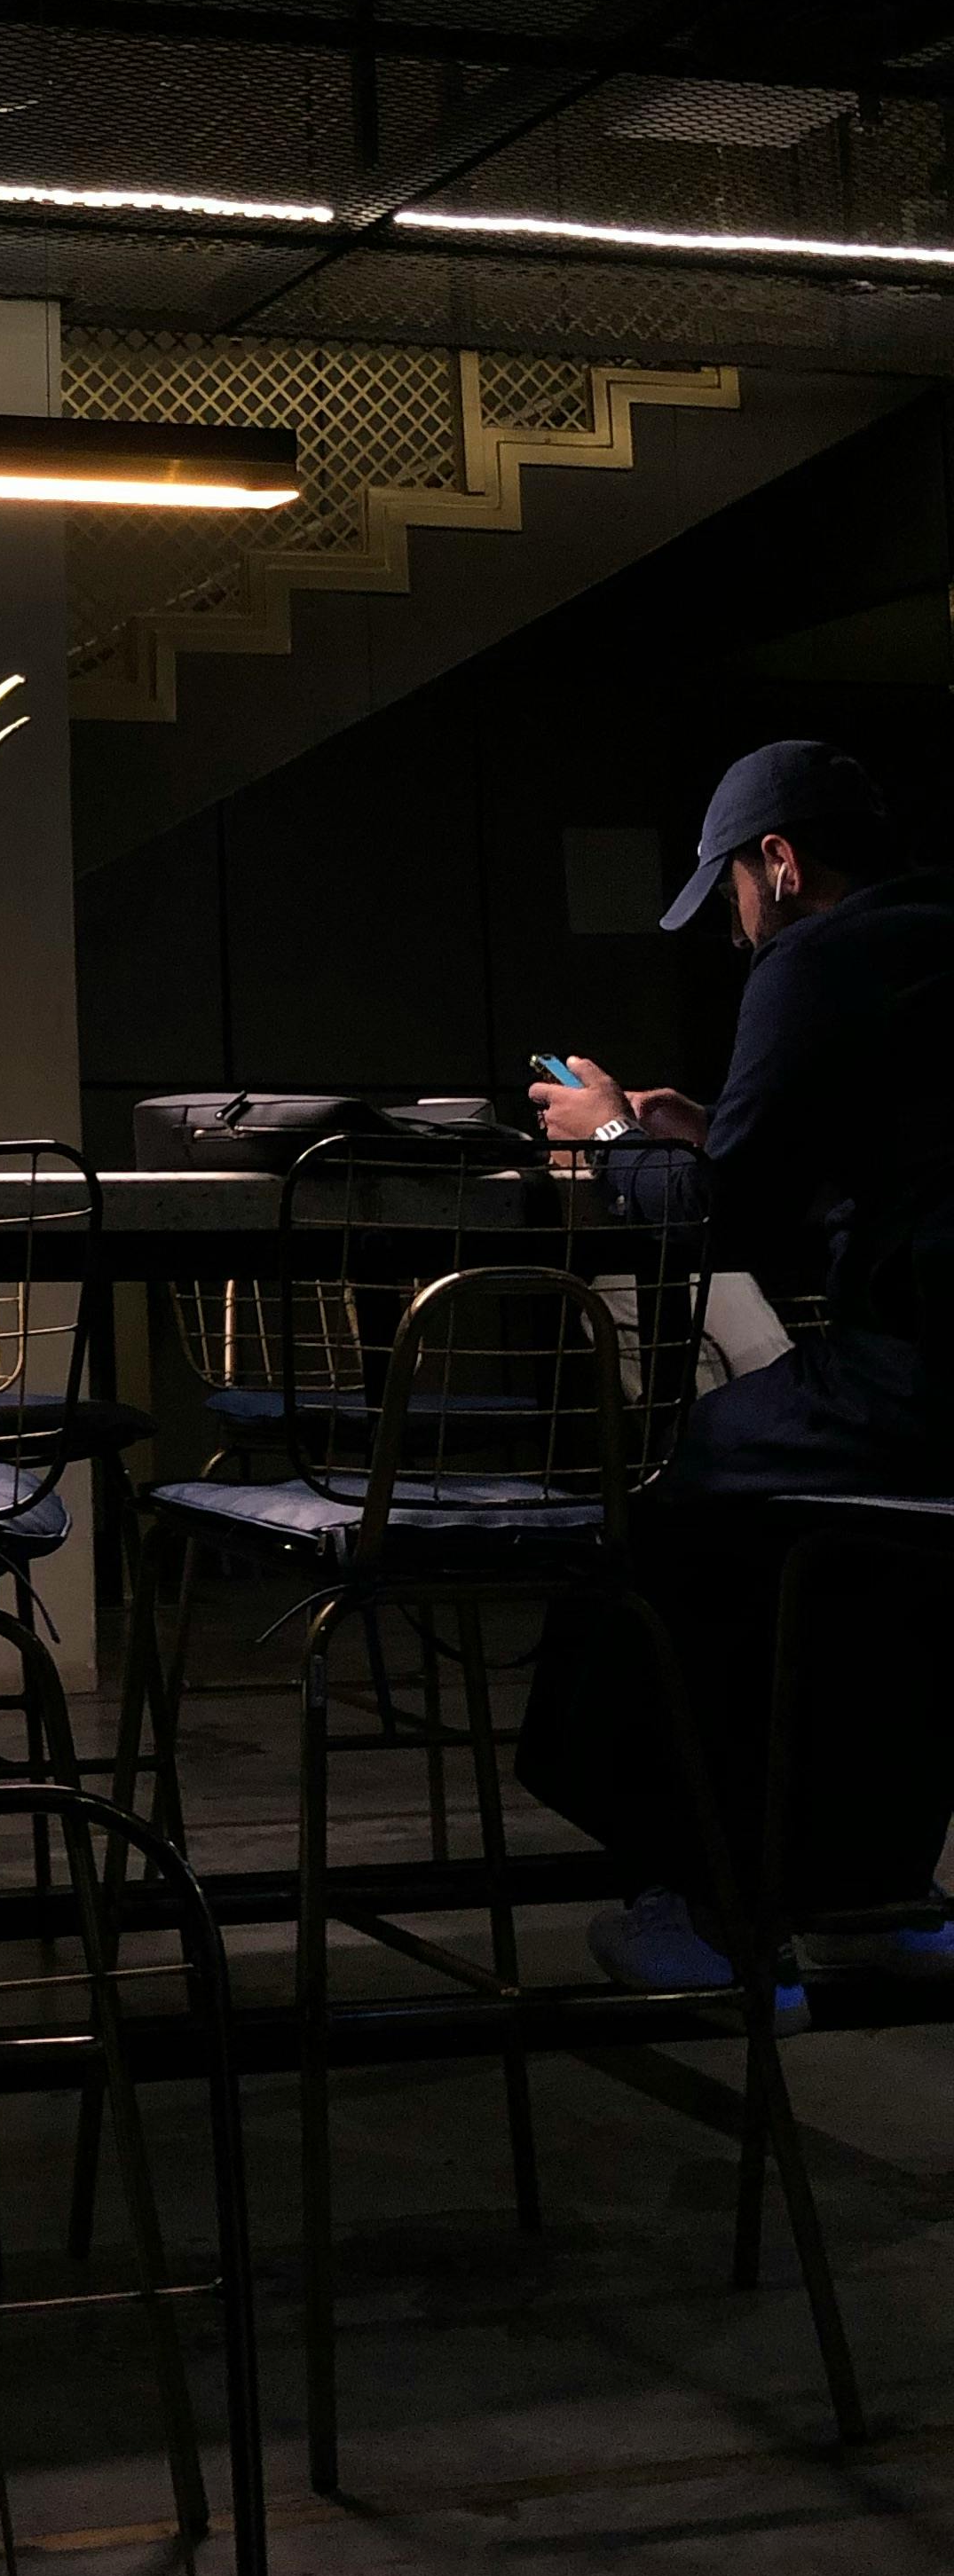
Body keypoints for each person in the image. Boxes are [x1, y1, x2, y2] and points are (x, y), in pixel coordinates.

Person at [516, 737, 954, 2007]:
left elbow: (727, 1226)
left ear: (780, 859)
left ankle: (701, 1906)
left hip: (911, 1389)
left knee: (665, 1492)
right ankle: (871, 1892)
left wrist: (605, 1138)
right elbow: (879, 1169)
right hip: (931, 1401)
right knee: (868, 1564)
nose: (732, 928)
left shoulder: (817, 954)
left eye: (733, 895)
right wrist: (713, 1131)